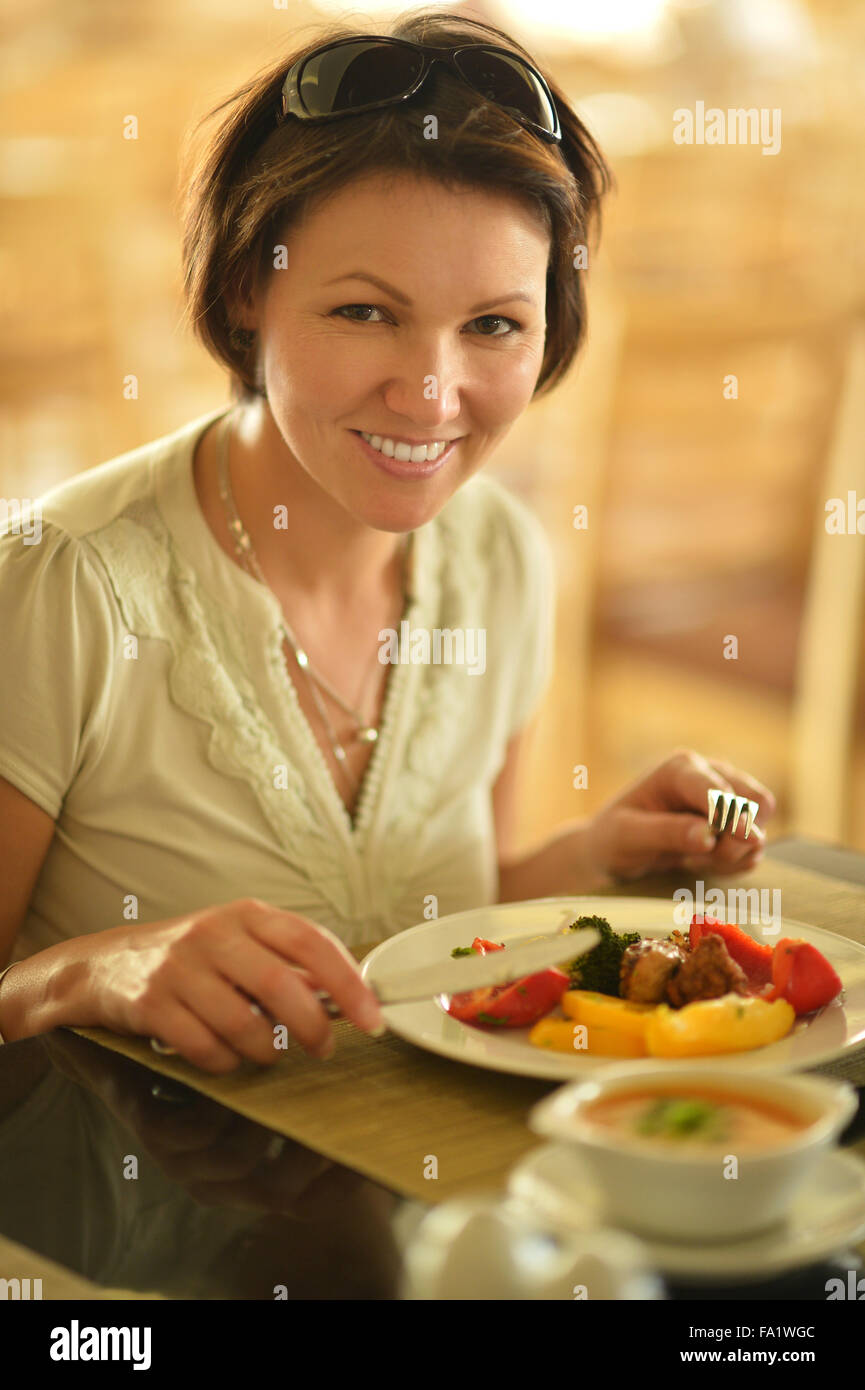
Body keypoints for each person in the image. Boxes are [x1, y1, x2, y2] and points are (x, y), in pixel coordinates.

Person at [0, 10, 773, 1071]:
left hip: (423, 1206)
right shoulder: (64, 581)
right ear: (245, 289)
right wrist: (94, 970)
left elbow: (437, 926)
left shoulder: (499, 555)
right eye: (365, 312)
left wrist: (593, 855)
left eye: (493, 324)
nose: (427, 393)